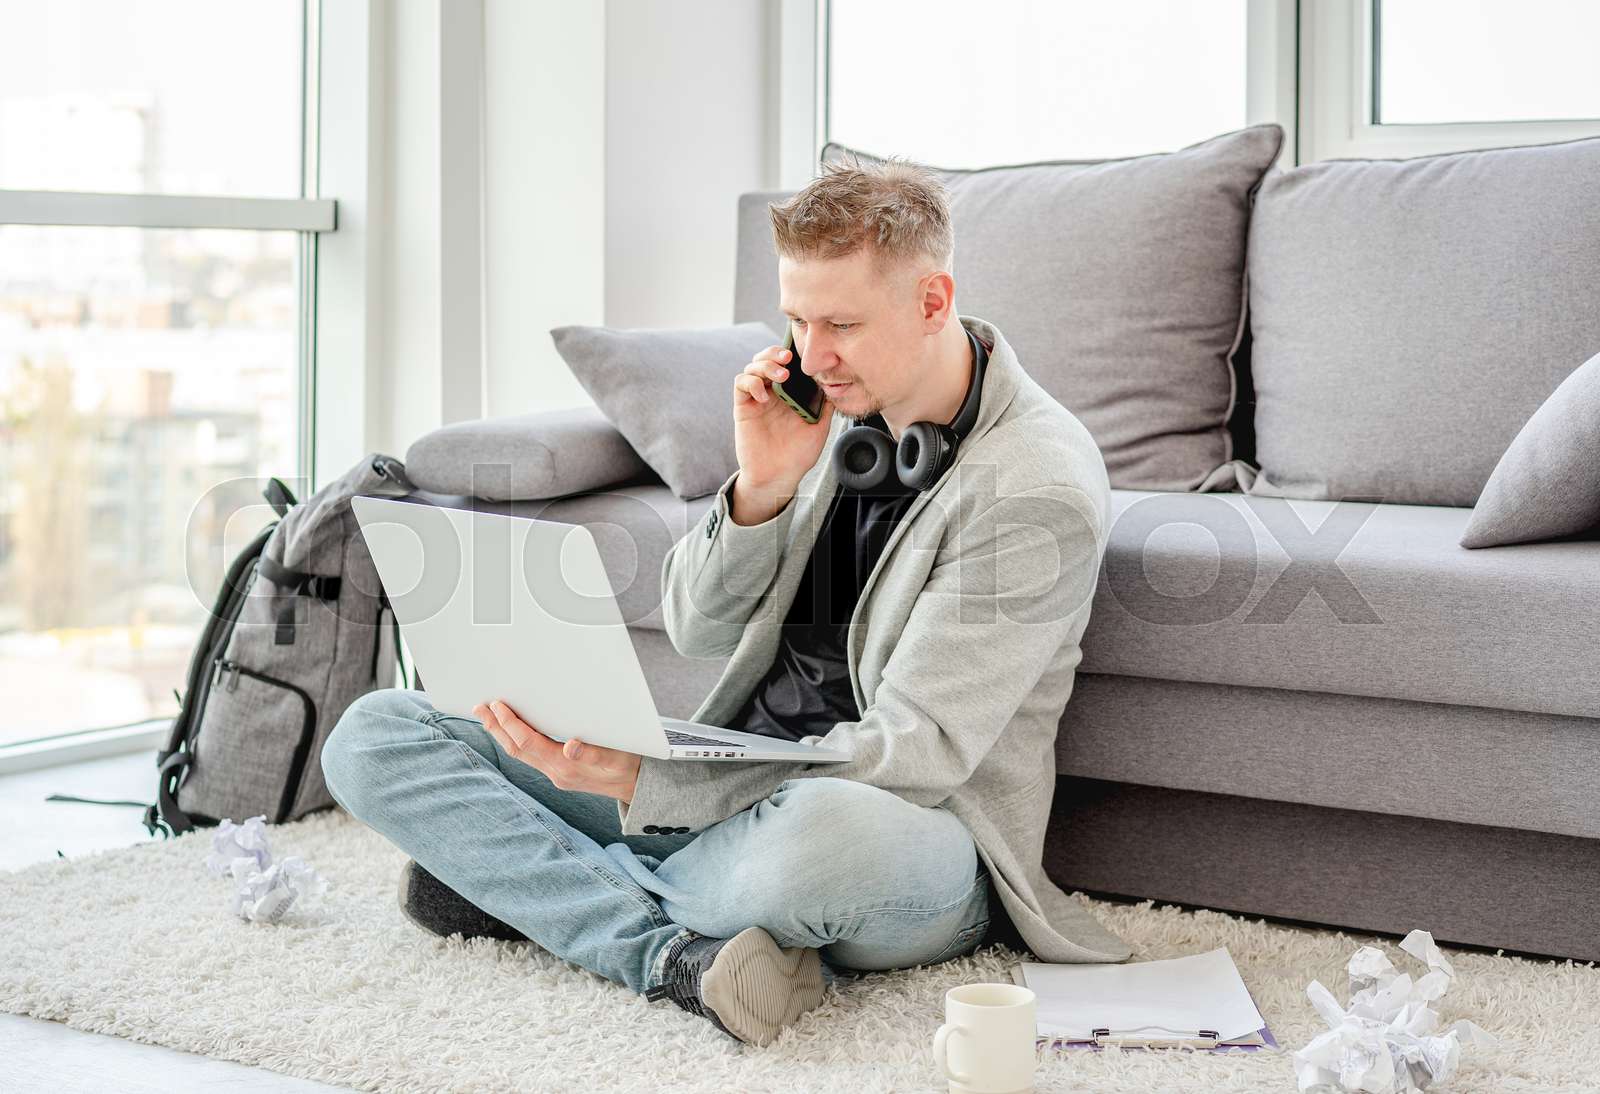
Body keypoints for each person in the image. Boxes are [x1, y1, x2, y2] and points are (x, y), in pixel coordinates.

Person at [320, 153, 1130, 1048]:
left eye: (842, 324)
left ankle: (526, 883)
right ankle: (673, 953)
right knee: (377, 734)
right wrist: (761, 487)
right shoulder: (834, 416)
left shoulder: (1036, 486)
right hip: (724, 789)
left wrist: (661, 785)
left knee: (810, 847)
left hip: (902, 832)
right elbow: (696, 628)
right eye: (797, 320)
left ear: (933, 302)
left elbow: (918, 753)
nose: (812, 356)